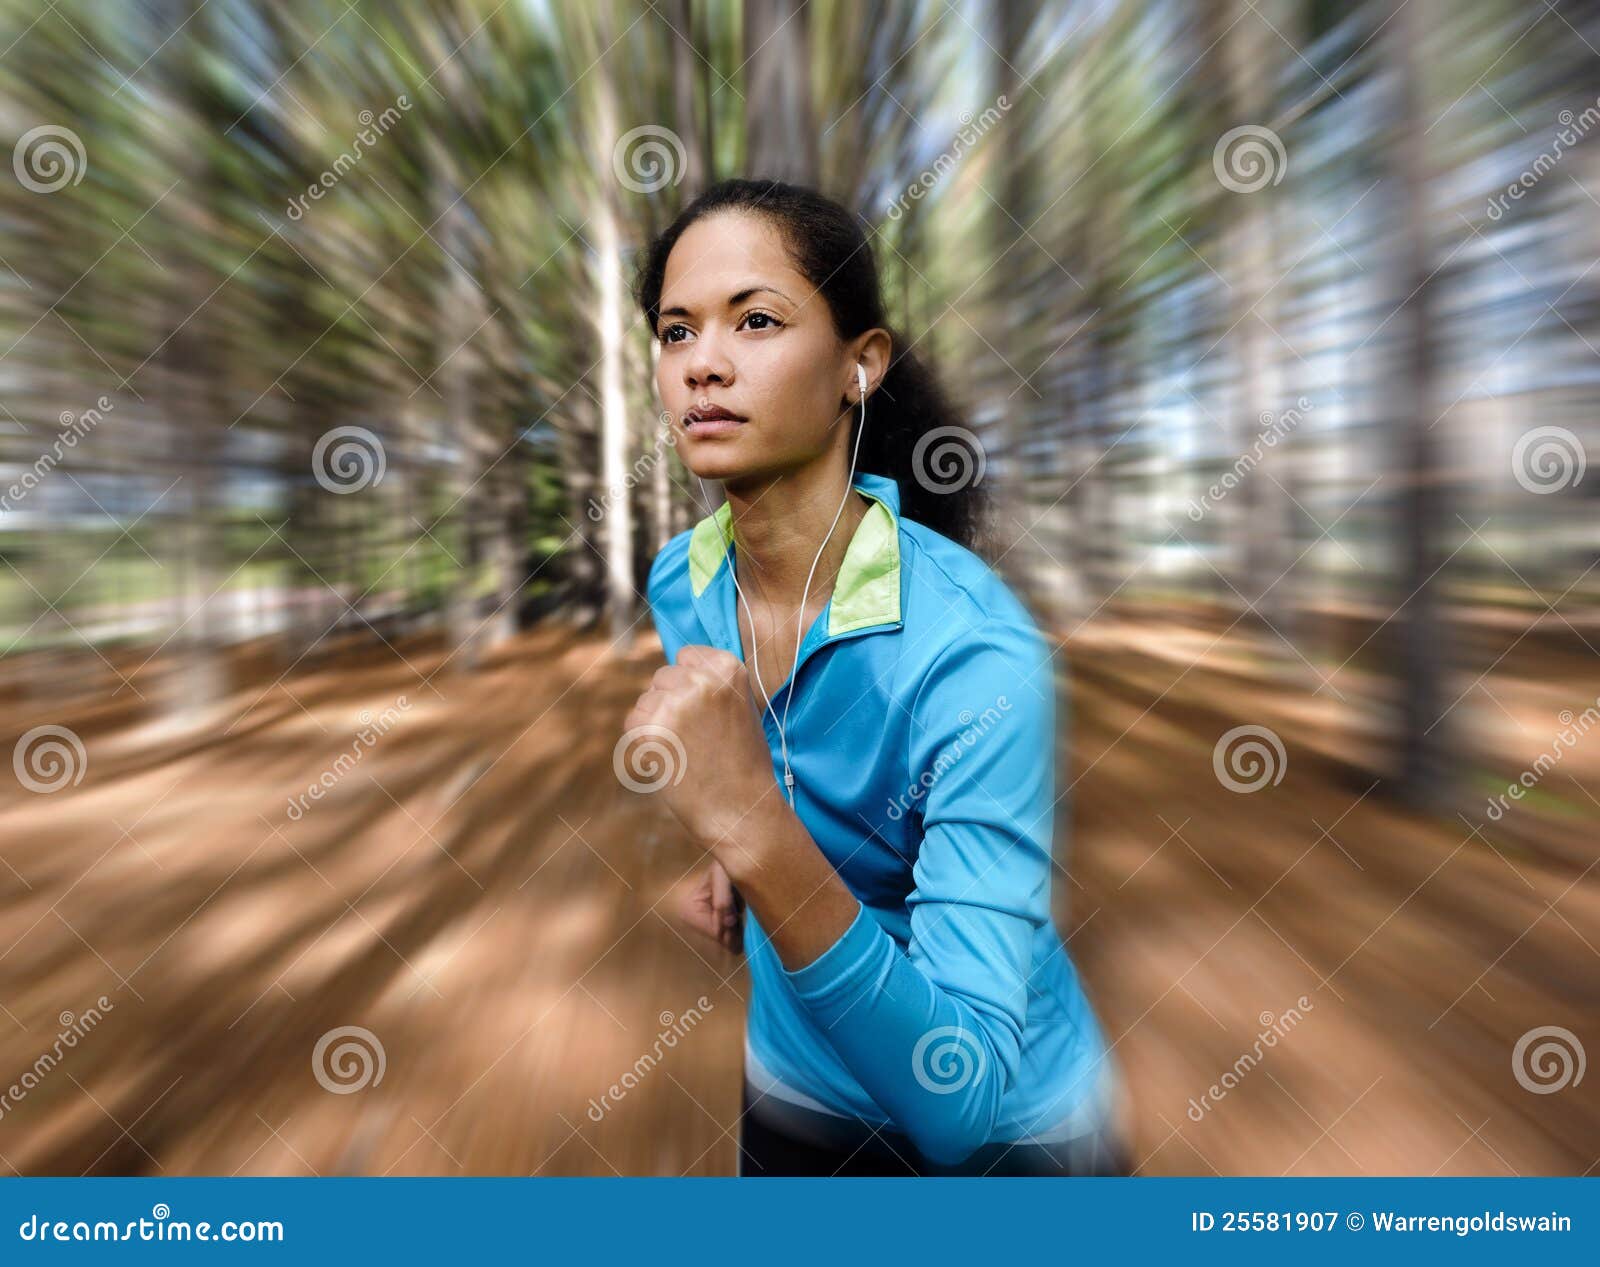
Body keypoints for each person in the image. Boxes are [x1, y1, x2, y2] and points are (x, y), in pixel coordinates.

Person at [623, 177, 1131, 1177]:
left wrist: (751, 830)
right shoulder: (682, 581)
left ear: (860, 364)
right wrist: (742, 855)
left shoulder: (975, 654)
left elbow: (961, 1100)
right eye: (677, 331)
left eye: (756, 320)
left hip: (1015, 1143)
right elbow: (769, 760)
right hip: (793, 1094)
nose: (703, 363)